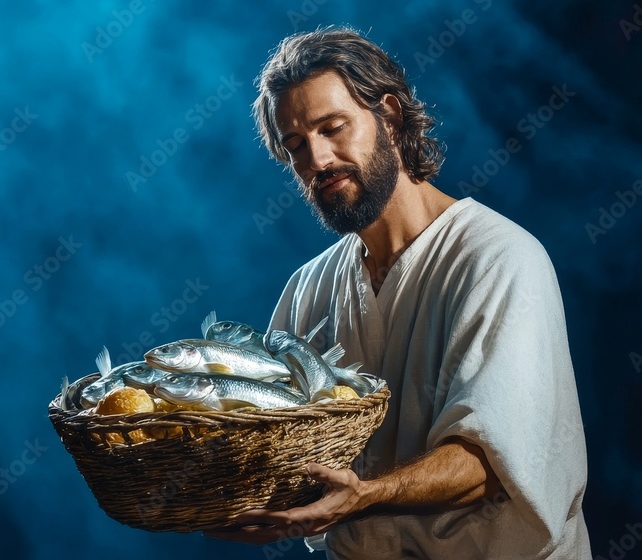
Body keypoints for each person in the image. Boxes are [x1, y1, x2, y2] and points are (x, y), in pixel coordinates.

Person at [205, 27, 591, 559]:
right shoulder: (307, 290)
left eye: (332, 128)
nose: (317, 160)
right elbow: (281, 443)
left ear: (388, 116)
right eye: (295, 146)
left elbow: (492, 461)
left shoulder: (498, 259)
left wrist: (363, 496)